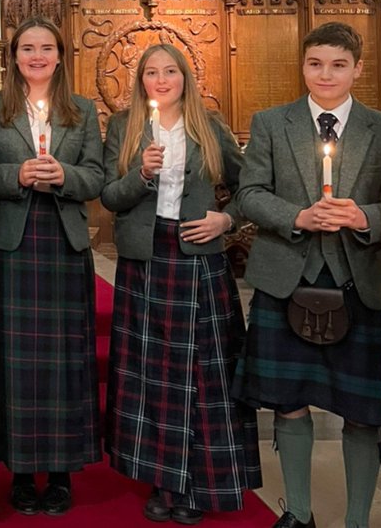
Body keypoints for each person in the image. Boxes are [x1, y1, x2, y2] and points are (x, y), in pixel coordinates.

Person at [234, 22, 381, 528]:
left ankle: (357, 520)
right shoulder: (271, 122)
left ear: (357, 68)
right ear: (302, 65)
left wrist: (362, 216)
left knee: (361, 411)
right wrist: (297, 217)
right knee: (287, 405)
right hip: (288, 280)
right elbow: (249, 193)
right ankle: (299, 513)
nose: (325, 74)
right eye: (315, 64)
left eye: (337, 64)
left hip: (359, 284)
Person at [101, 43, 260, 524]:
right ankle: (162, 479)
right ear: (141, 81)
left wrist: (225, 220)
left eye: (170, 71)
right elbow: (109, 195)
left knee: (199, 375)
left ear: (185, 77)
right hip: (146, 260)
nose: (162, 79)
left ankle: (196, 483)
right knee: (153, 376)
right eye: (152, 72)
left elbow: (252, 189)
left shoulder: (208, 127)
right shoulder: (125, 127)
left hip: (198, 259)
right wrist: (142, 174)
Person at [0, 16, 105, 516]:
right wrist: (19, 174)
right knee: (16, 364)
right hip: (10, 245)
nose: (37, 56)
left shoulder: (83, 110)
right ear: (14, 55)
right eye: (27, 47)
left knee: (66, 363)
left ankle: (64, 471)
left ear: (60, 55)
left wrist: (64, 175)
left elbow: (96, 177)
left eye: (46, 47)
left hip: (64, 247)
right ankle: (23, 473)